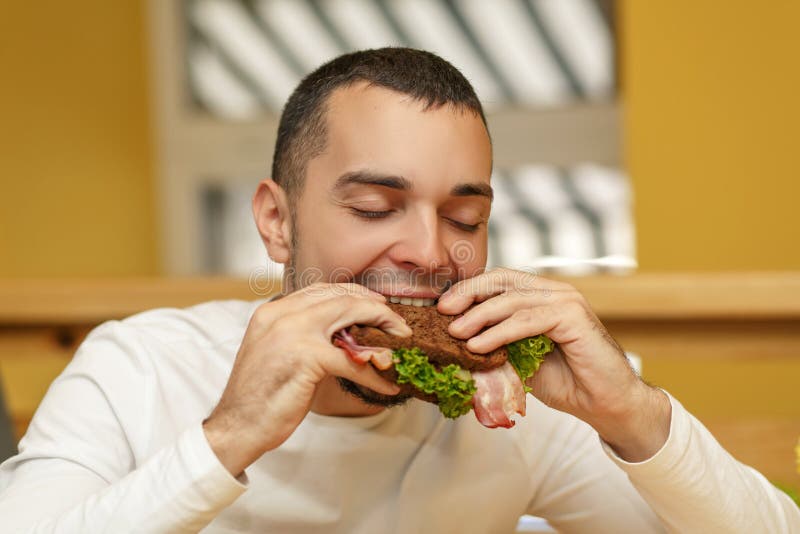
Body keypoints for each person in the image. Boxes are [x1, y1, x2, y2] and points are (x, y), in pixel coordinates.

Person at [0, 48, 797, 533]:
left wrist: (632, 414)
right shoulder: (136, 370)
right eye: (375, 208)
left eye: (464, 215)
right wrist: (229, 436)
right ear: (277, 223)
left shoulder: (516, 415)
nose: (426, 252)